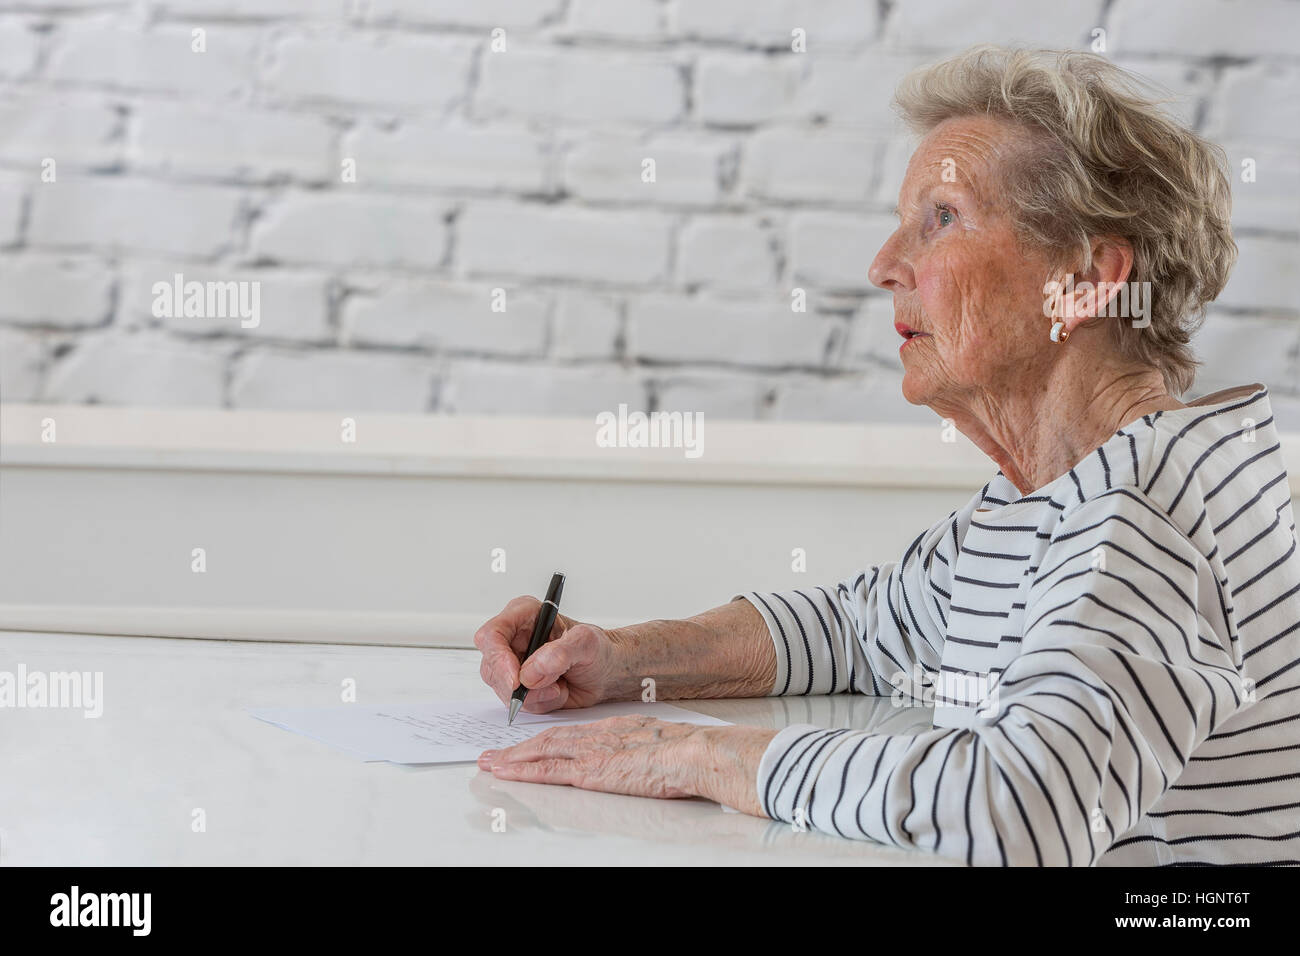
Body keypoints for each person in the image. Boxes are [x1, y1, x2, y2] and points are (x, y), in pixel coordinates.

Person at [473, 46, 1300, 866]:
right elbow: (861, 631)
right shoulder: (1053, 494)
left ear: (1085, 281)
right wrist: (622, 662)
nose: (883, 266)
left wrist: (694, 757)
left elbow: (1024, 807)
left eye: (940, 218)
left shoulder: (1146, 513)